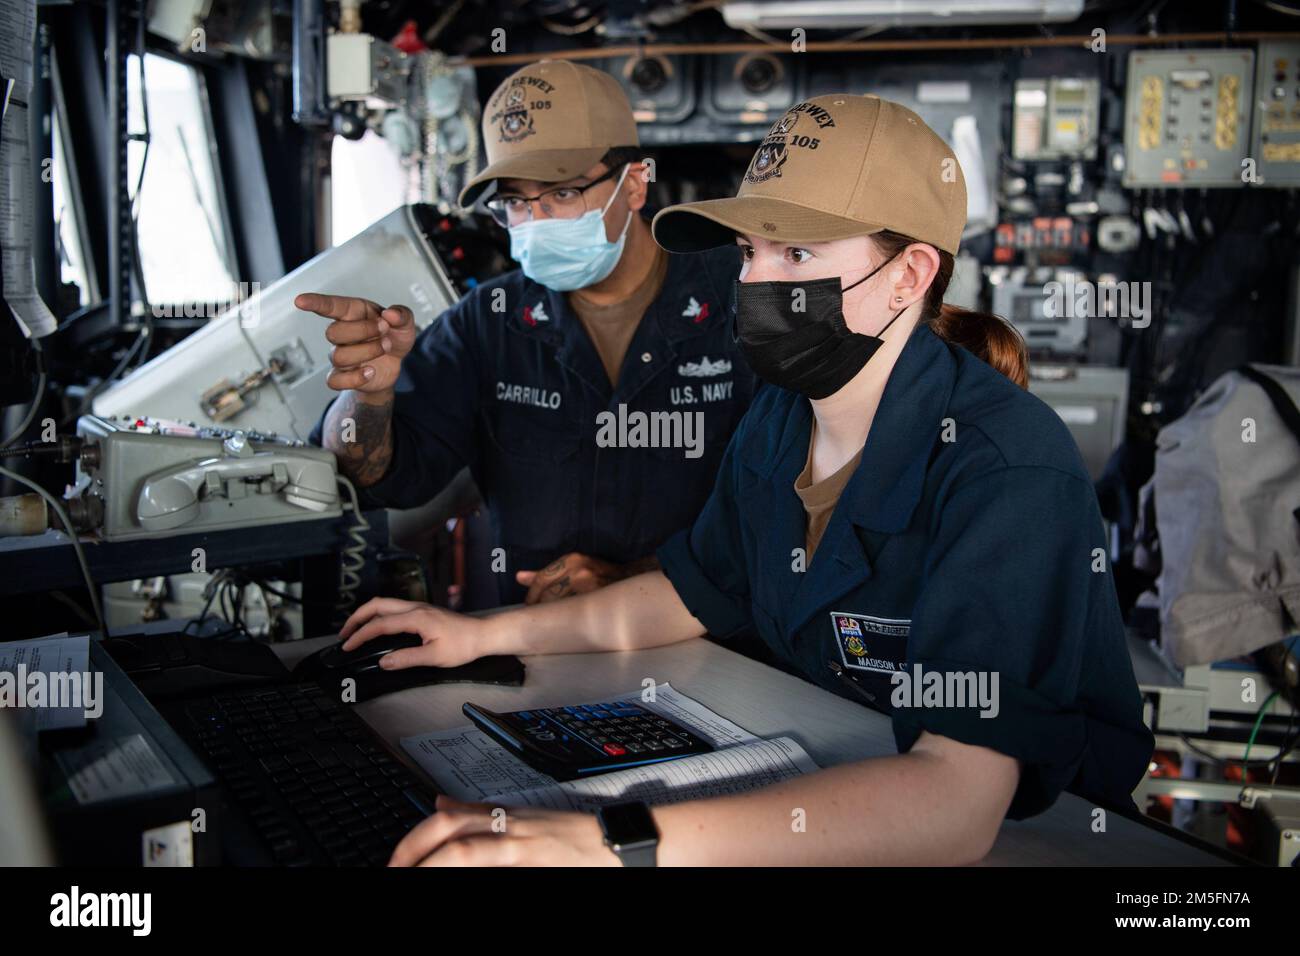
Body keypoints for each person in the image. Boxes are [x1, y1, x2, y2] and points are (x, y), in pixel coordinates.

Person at [338, 94, 1155, 866]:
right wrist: (481, 636)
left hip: (1027, 837)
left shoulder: (1006, 470)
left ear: (908, 275)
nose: (758, 283)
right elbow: (693, 592)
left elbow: (958, 800)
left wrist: (602, 843)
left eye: (796, 252)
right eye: (750, 251)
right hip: (835, 783)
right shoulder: (781, 416)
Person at [299, 60, 755, 606]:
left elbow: (791, 506)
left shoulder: (743, 298)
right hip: (534, 652)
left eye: (561, 194)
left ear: (634, 185)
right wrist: (367, 393)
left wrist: (636, 580)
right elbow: (386, 479)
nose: (534, 222)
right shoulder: (489, 320)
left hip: (716, 644)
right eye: (515, 202)